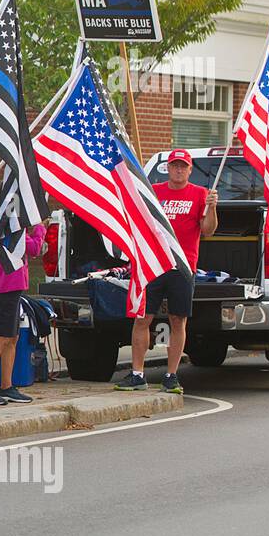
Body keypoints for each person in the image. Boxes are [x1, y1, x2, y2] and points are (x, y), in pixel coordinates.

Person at [114, 148, 217, 394]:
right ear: (168, 168)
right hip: (153, 263)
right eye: (174, 166)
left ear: (190, 170)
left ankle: (172, 375)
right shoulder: (153, 191)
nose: (179, 170)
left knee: (178, 319)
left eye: (183, 166)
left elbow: (208, 231)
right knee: (142, 318)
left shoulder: (200, 194)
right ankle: (138, 374)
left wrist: (212, 208)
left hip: (182, 265)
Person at [0, 185, 46, 405]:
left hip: (12, 285)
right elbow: (34, 248)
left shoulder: (2, 226)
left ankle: (7, 385)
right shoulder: (7, 229)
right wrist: (40, 228)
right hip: (6, 286)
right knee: (2, 336)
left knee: (12, 337)